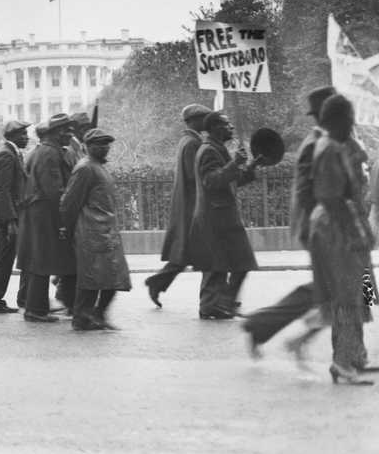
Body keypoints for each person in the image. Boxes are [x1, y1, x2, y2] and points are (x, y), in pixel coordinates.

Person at [243, 87, 336, 359]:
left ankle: (293, 336)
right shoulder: (318, 144)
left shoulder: (328, 140)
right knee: (342, 288)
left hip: (336, 229)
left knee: (351, 290)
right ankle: (343, 355)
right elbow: (310, 193)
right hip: (326, 230)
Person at [308, 95, 375, 385]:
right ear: (337, 119)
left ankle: (355, 356)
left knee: (361, 292)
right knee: (347, 296)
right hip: (336, 230)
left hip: (343, 226)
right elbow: (331, 197)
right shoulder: (329, 149)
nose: (352, 123)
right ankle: (343, 362)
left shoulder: (338, 145)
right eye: (349, 118)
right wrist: (355, 231)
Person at [60, 129, 132, 331]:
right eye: (99, 144)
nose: (104, 147)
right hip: (91, 231)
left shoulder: (98, 167)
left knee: (113, 277)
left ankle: (98, 314)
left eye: (106, 144)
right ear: (87, 147)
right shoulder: (85, 168)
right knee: (91, 278)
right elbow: (70, 202)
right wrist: (67, 228)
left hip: (106, 230)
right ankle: (82, 318)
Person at [188, 111, 257, 319]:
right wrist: (234, 163)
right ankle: (212, 305)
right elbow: (211, 181)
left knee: (234, 263)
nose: (231, 128)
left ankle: (220, 303)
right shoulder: (208, 150)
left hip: (223, 216)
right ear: (215, 128)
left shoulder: (217, 149)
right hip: (214, 218)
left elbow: (230, 181)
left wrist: (251, 166)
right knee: (218, 265)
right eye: (227, 124)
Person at [144, 104, 211, 308]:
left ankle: (158, 282)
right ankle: (216, 296)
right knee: (208, 252)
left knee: (186, 252)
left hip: (189, 203)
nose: (206, 121)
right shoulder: (192, 143)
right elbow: (194, 175)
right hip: (193, 204)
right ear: (193, 121)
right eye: (203, 118)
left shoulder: (188, 140)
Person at [17, 113, 75, 322]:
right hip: (45, 215)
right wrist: (63, 220)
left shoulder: (46, 150)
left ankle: (38, 307)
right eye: (67, 131)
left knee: (41, 262)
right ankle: (35, 310)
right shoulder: (50, 153)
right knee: (42, 263)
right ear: (57, 132)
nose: (70, 135)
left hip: (41, 213)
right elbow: (54, 190)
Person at [0, 120, 28, 314]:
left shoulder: (13, 153)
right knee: (3, 260)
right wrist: (10, 221)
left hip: (13, 215)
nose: (26, 137)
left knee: (5, 260)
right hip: (9, 218)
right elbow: (2, 190)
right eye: (23, 134)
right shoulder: (7, 155)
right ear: (12, 136)